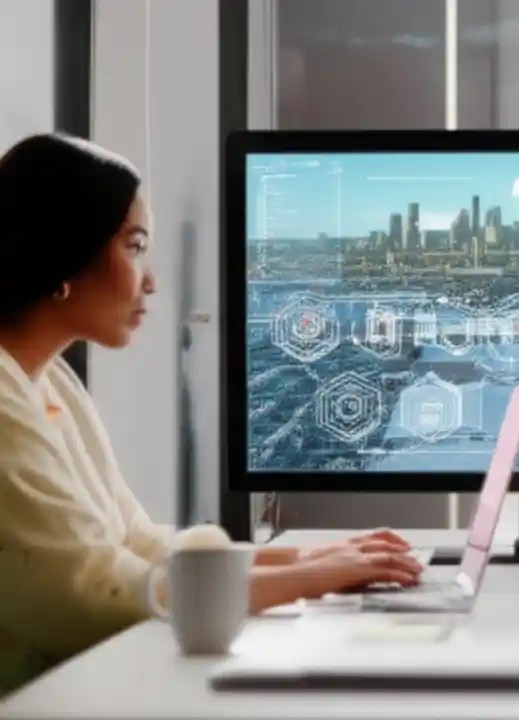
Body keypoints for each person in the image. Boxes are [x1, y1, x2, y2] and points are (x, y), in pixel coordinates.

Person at [0, 134, 425, 695]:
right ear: (64, 251)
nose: (149, 280)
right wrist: (308, 579)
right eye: (134, 246)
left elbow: (137, 543)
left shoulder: (49, 379)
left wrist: (305, 559)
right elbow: (92, 596)